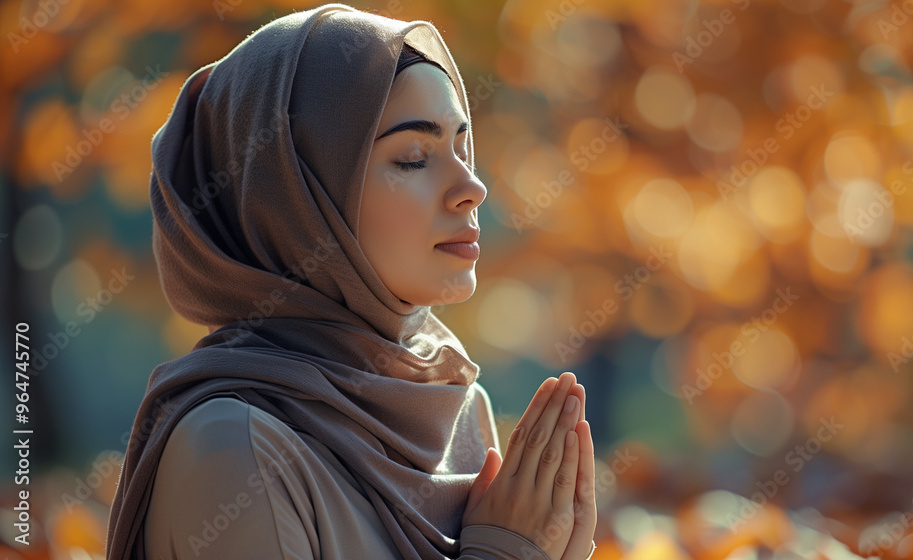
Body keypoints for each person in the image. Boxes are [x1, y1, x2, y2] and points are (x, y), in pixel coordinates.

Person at [104, 4, 597, 559]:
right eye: (413, 157)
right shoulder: (234, 448)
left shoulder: (456, 410)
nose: (472, 186)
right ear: (293, 201)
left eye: (462, 147)